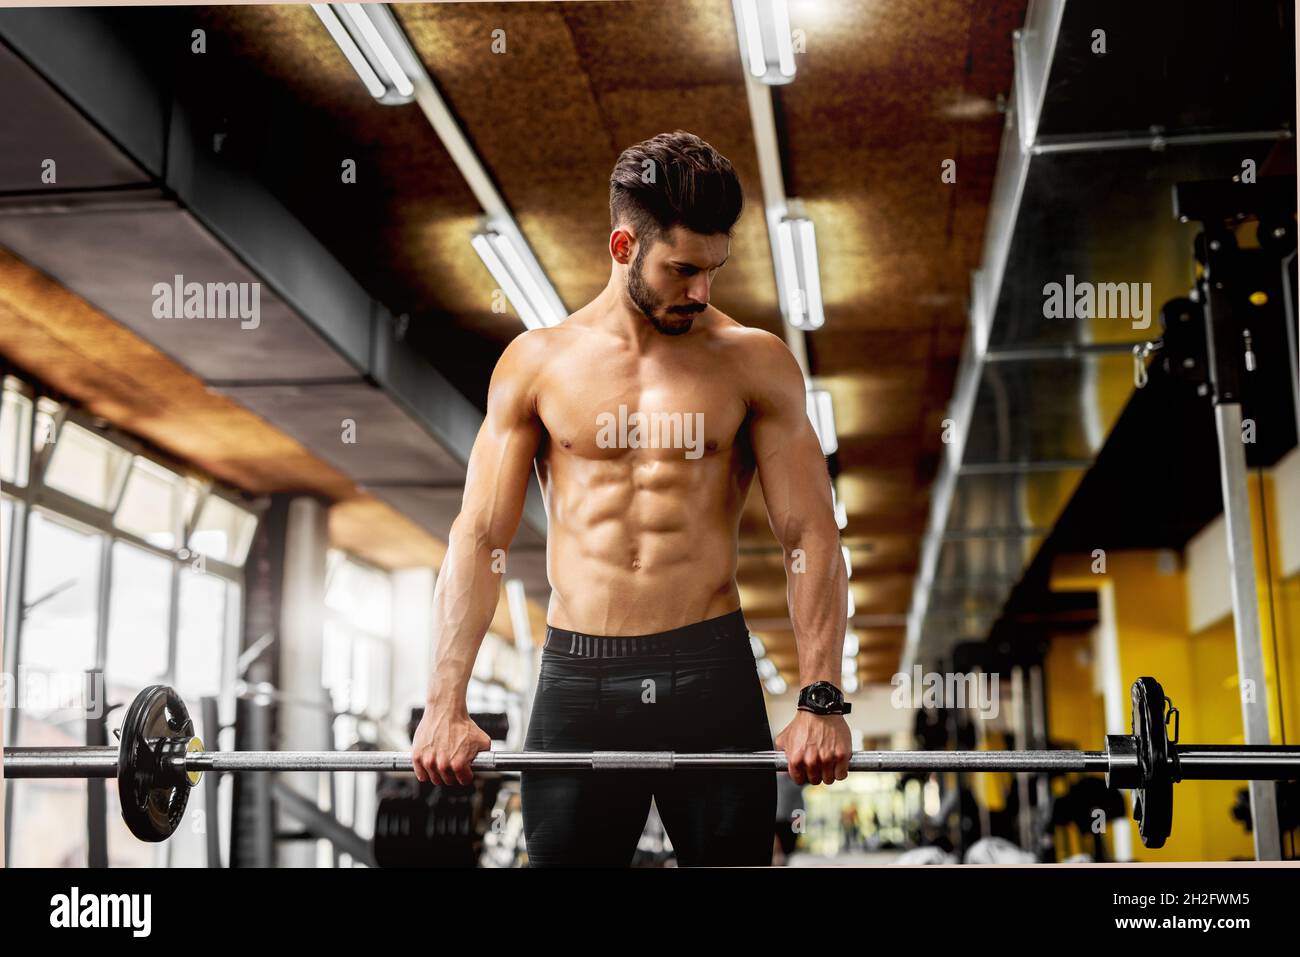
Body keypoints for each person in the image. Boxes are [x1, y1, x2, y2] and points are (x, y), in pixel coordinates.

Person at [411, 130, 852, 867]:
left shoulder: (754, 361)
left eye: (714, 269)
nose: (702, 291)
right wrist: (444, 702)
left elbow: (811, 536)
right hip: (579, 675)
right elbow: (478, 535)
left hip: (710, 669)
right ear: (623, 246)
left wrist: (821, 697)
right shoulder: (536, 363)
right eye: (683, 269)